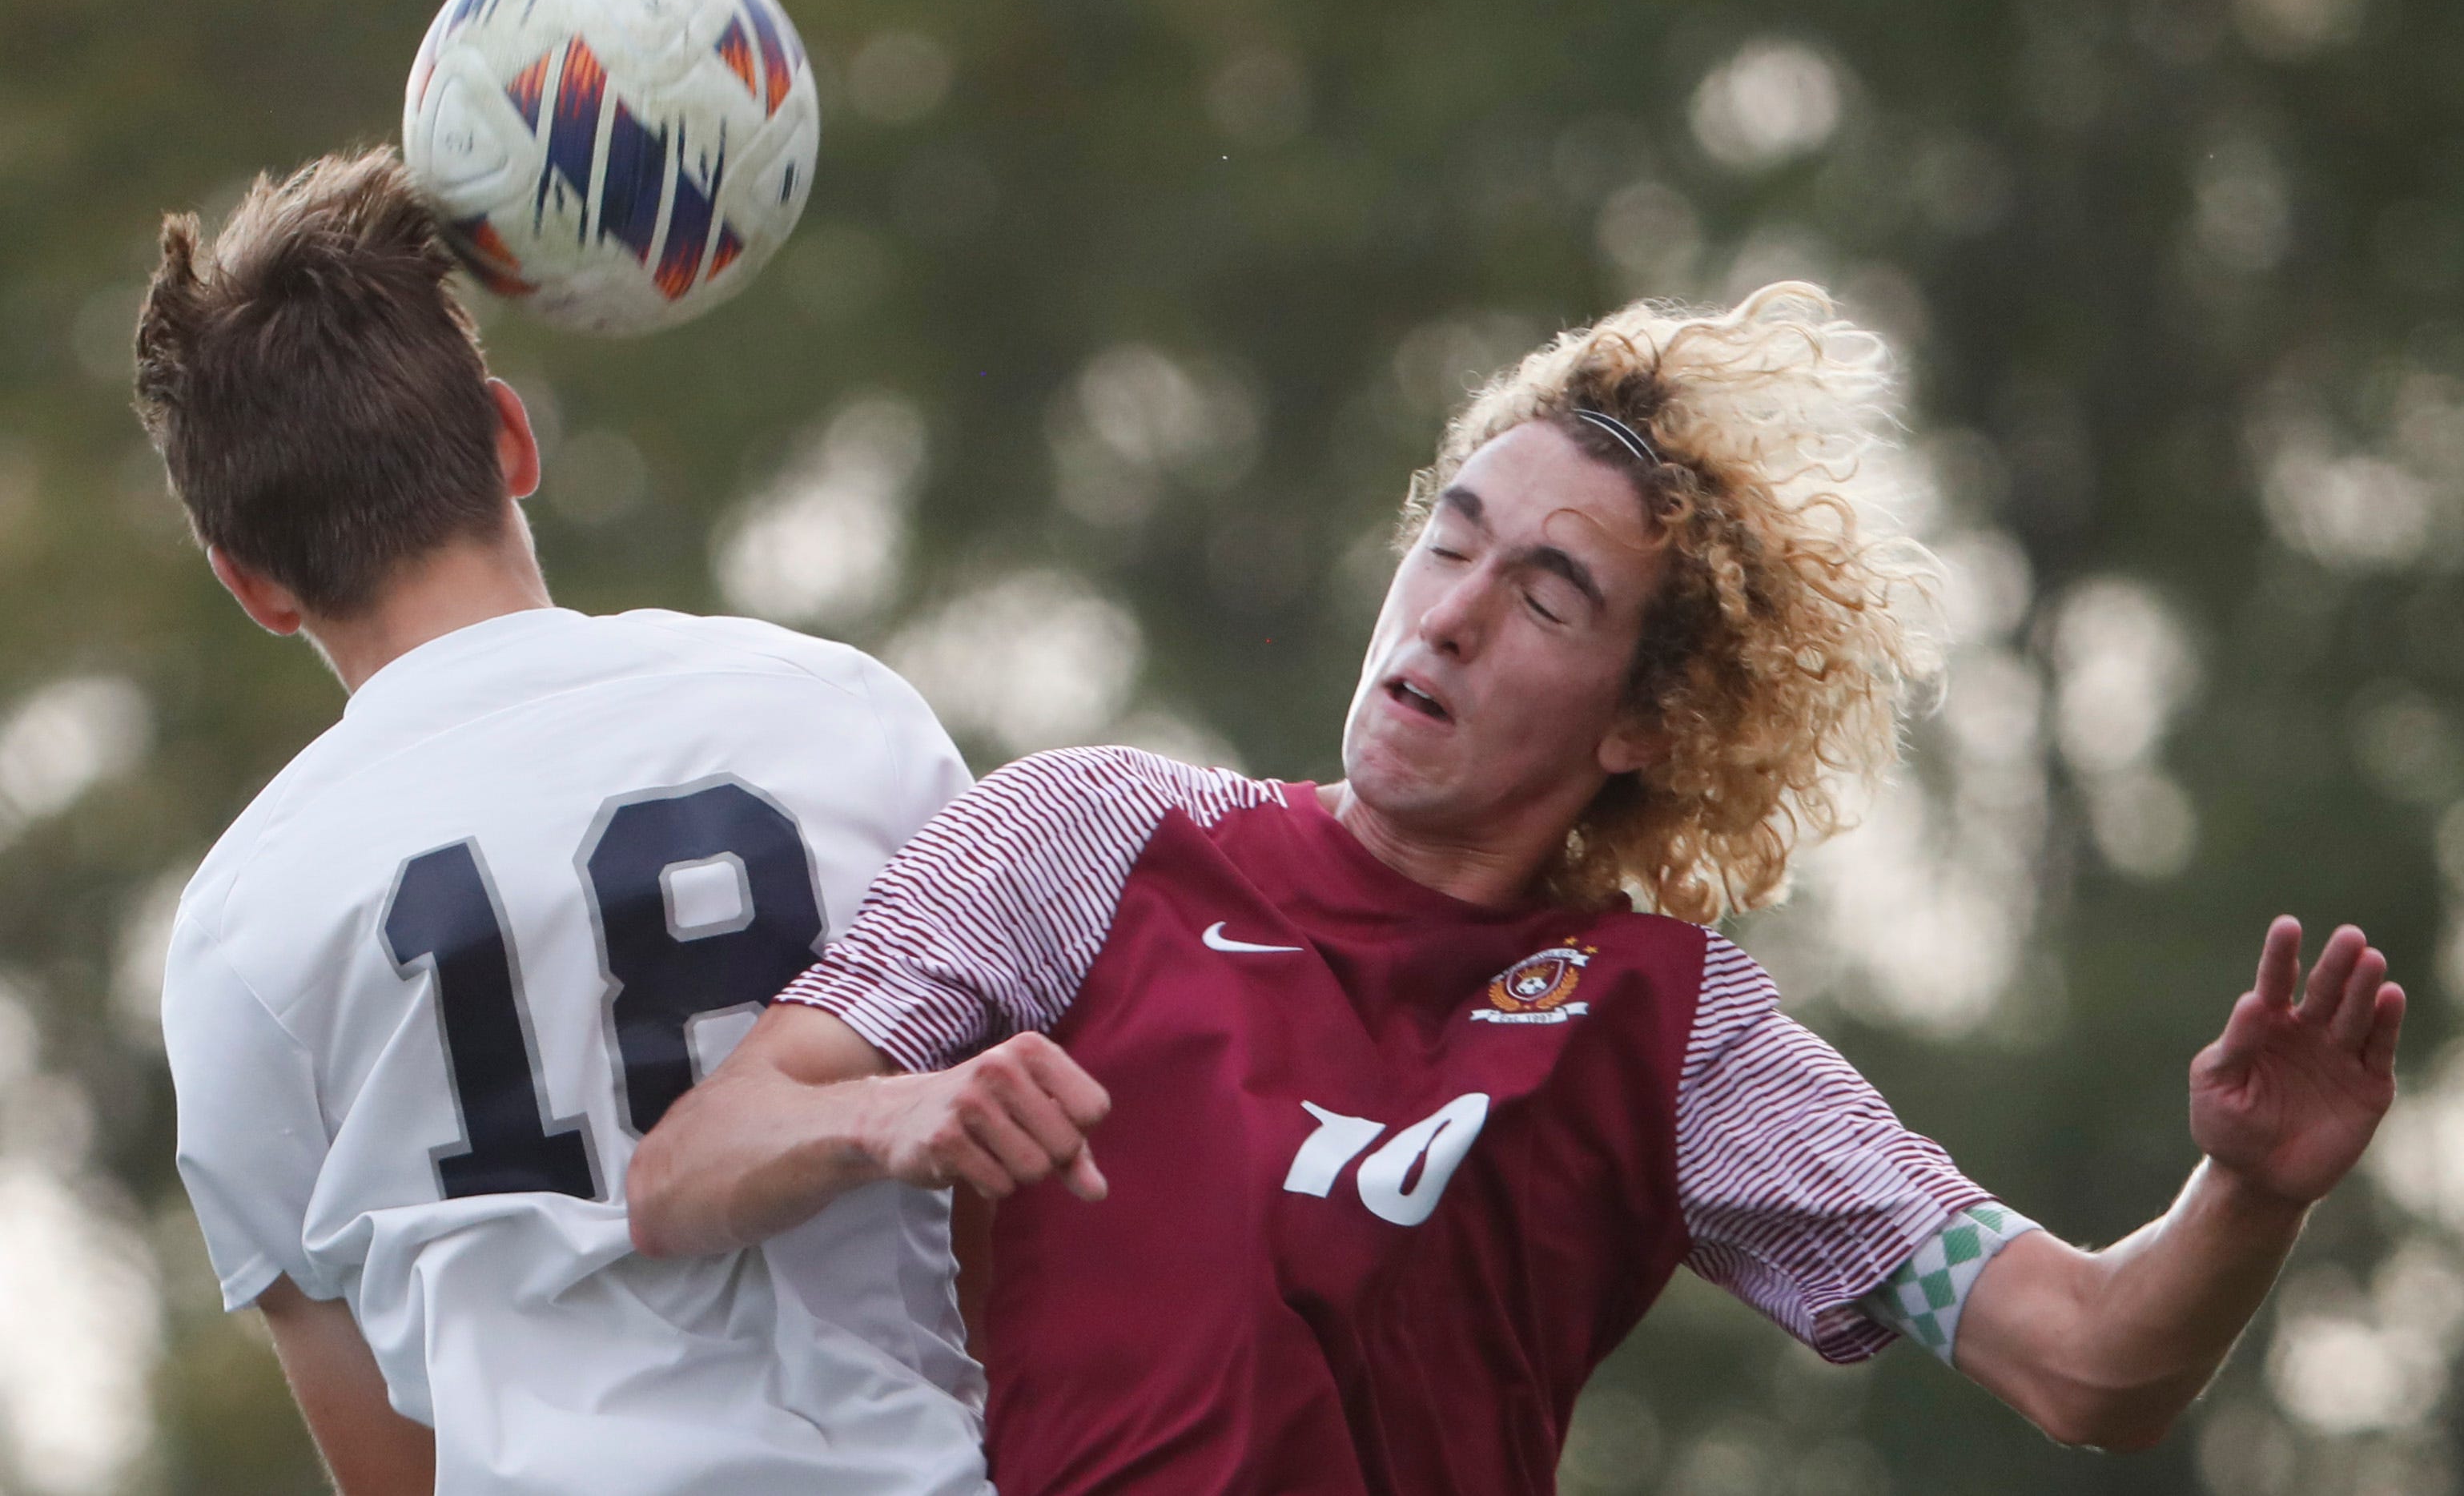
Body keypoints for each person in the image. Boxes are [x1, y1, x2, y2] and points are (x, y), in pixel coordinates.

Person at [631, 284, 2408, 1494]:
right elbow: (682, 1172)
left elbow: (2093, 1362)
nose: (1454, 611)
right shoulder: (1092, 837)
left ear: (1648, 718)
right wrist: (900, 1112)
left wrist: (2244, 1193)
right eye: (1450, 536)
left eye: (1548, 595)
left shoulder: (1670, 1024)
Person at [138, 149, 991, 1496]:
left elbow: (386, 1462)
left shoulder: (241, 927)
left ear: (253, 584)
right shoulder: (840, 714)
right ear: (511, 435)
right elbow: (1011, 1189)